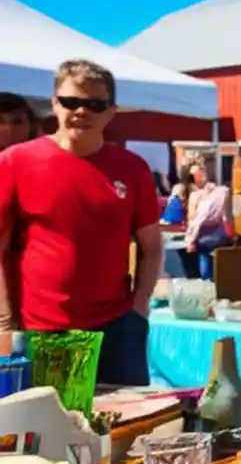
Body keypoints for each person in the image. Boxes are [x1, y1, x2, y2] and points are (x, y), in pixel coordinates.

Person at [0, 60, 162, 385]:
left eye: (94, 104)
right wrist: (5, 323)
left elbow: (151, 245)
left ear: (111, 111)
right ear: (55, 104)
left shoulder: (133, 169)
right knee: (40, 430)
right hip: (37, 328)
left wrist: (139, 306)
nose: (81, 112)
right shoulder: (15, 162)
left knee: (121, 428)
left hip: (116, 328)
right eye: (72, 102)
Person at [184, 162, 232, 280]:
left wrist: (190, 240)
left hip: (203, 237)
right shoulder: (222, 192)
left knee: (205, 263)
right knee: (219, 265)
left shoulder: (195, 196)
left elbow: (194, 220)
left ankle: (207, 288)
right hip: (219, 235)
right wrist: (231, 233)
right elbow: (226, 216)